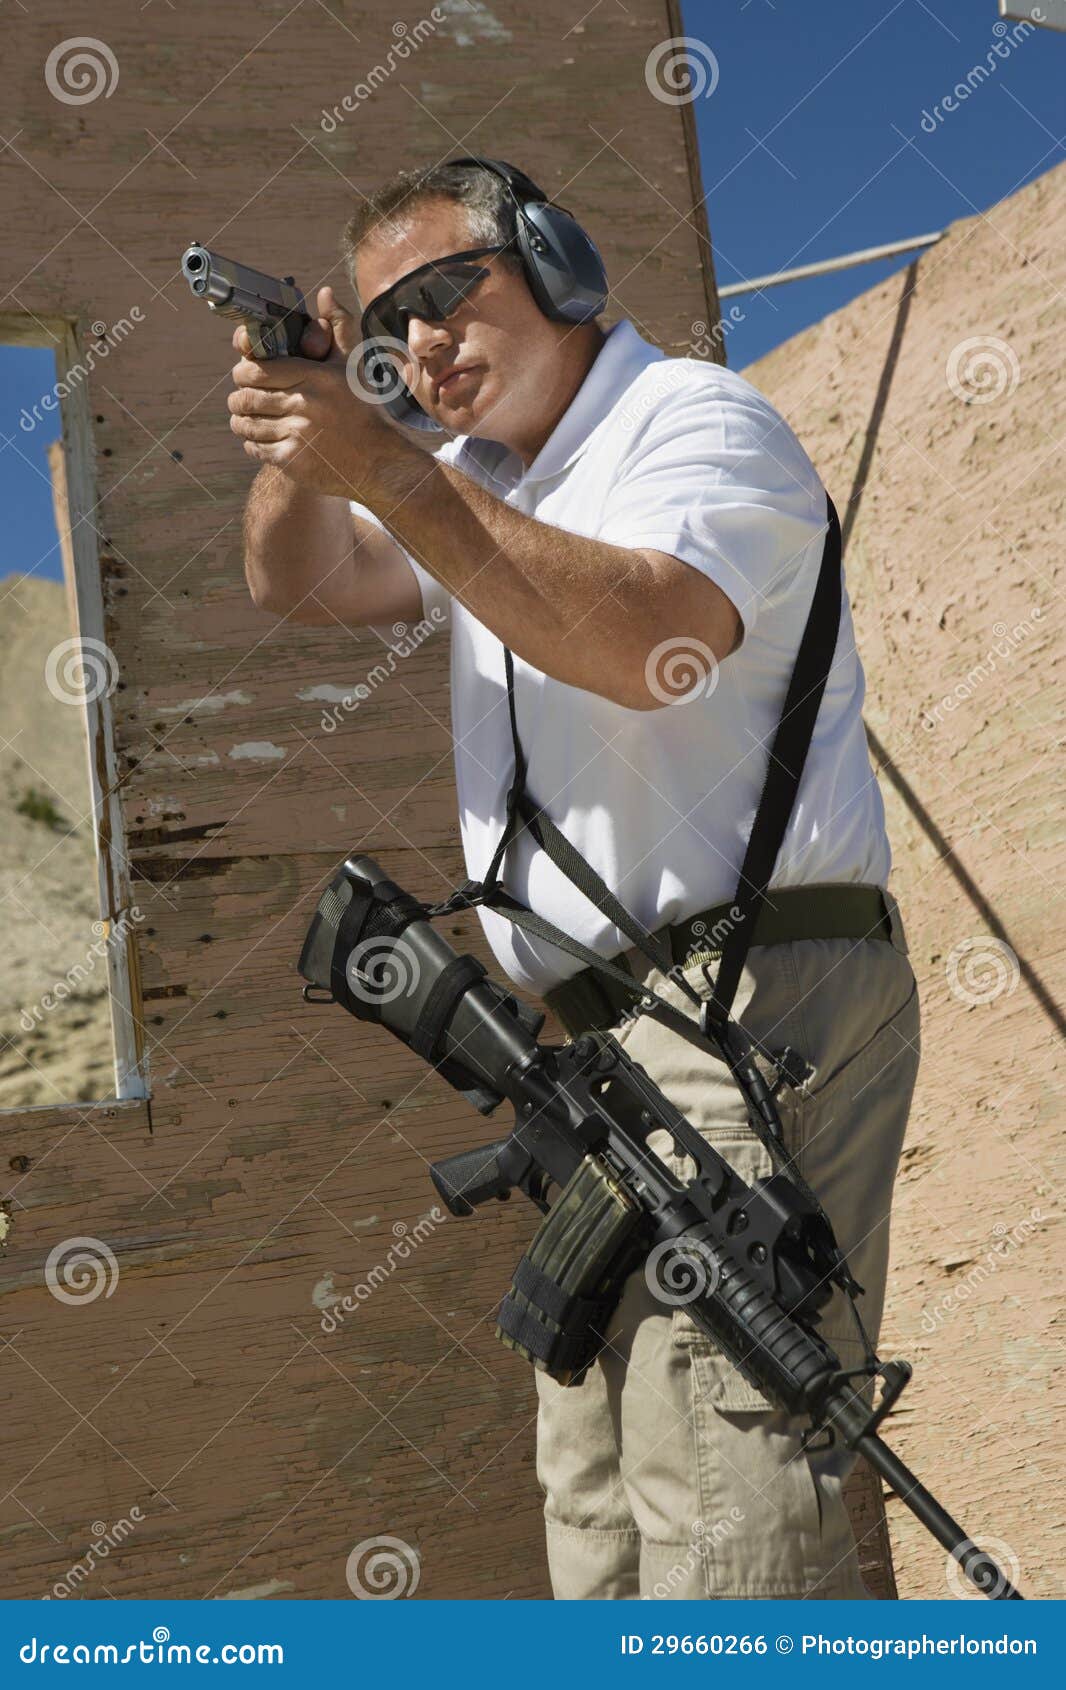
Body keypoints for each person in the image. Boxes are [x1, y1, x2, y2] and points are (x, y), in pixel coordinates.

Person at [228, 156, 920, 1600]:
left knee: (730, 1490)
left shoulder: (694, 421)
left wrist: (387, 465)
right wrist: (309, 442)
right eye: (380, 329)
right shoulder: (484, 483)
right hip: (608, 1041)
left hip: (747, 992)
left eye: (441, 292)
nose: (417, 345)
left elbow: (641, 641)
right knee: (602, 1512)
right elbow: (300, 584)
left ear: (554, 262)